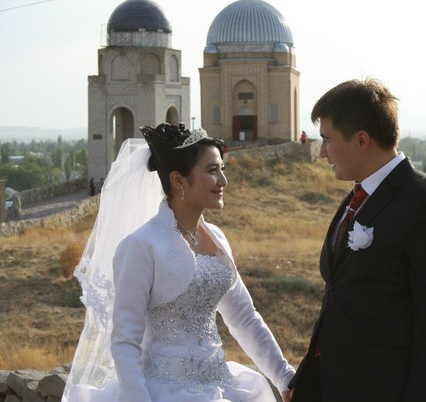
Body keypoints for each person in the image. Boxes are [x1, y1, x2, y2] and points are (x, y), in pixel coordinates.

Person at [62, 123, 295, 402]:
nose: (223, 181)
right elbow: (125, 342)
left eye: (222, 169)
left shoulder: (217, 238)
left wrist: (285, 377)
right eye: (212, 170)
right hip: (165, 392)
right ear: (178, 180)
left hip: (223, 387)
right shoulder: (142, 245)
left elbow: (244, 318)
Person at [289, 79, 426, 402]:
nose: (321, 152)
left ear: (361, 140)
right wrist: (306, 381)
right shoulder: (356, 198)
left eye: (327, 140)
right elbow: (337, 298)